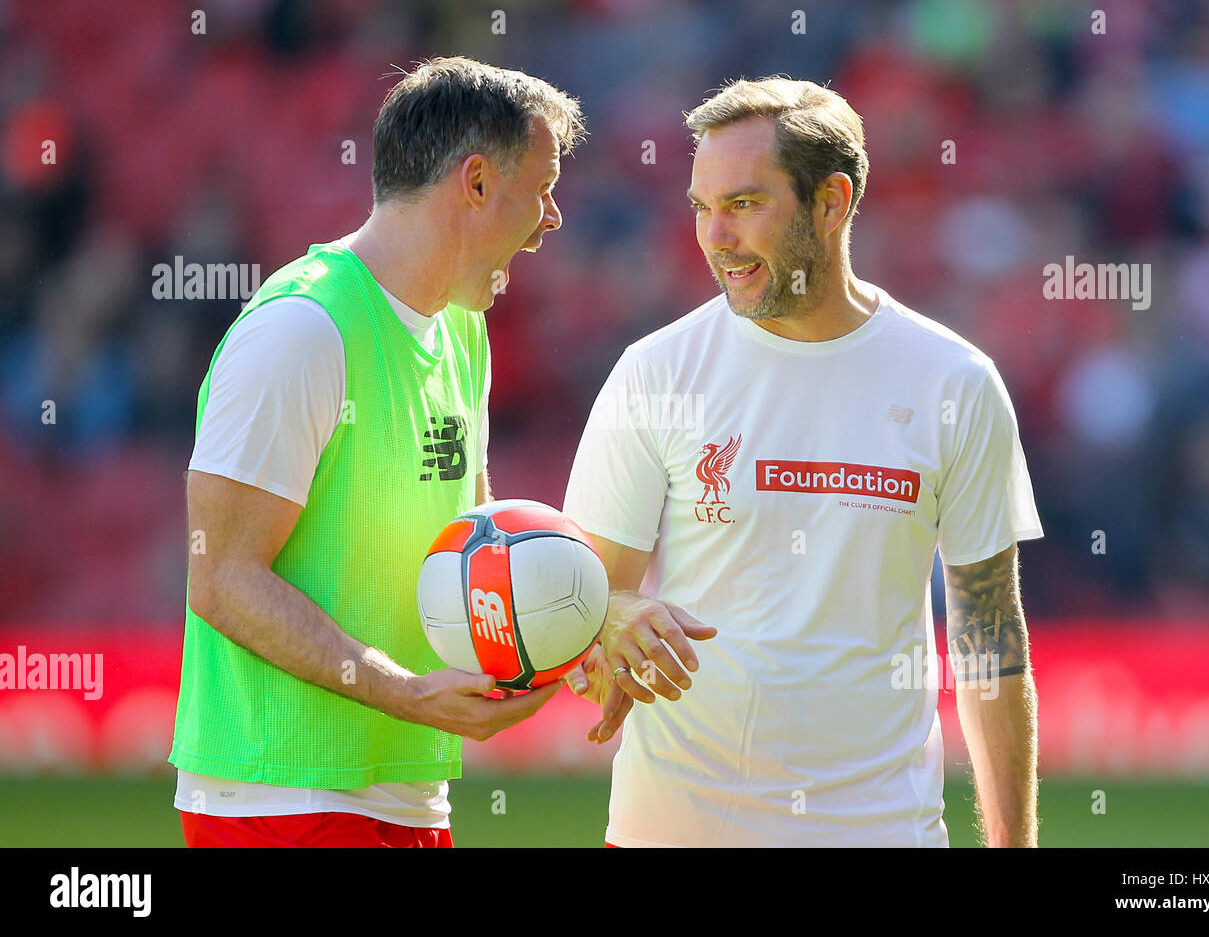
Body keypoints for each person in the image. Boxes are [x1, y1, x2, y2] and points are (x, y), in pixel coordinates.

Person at [563, 77, 1043, 847]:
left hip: (881, 830)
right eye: (701, 207)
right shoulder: (656, 372)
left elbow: (990, 635)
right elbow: (582, 595)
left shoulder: (954, 381)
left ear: (831, 202)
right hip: (672, 829)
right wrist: (610, 618)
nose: (715, 236)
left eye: (744, 205)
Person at [169, 57, 585, 848]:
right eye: (543, 186)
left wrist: (581, 628)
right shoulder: (302, 328)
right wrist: (405, 692)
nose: (553, 216)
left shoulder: (463, 328)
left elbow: (472, 553)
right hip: (279, 799)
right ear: (474, 183)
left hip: (405, 793)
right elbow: (220, 577)